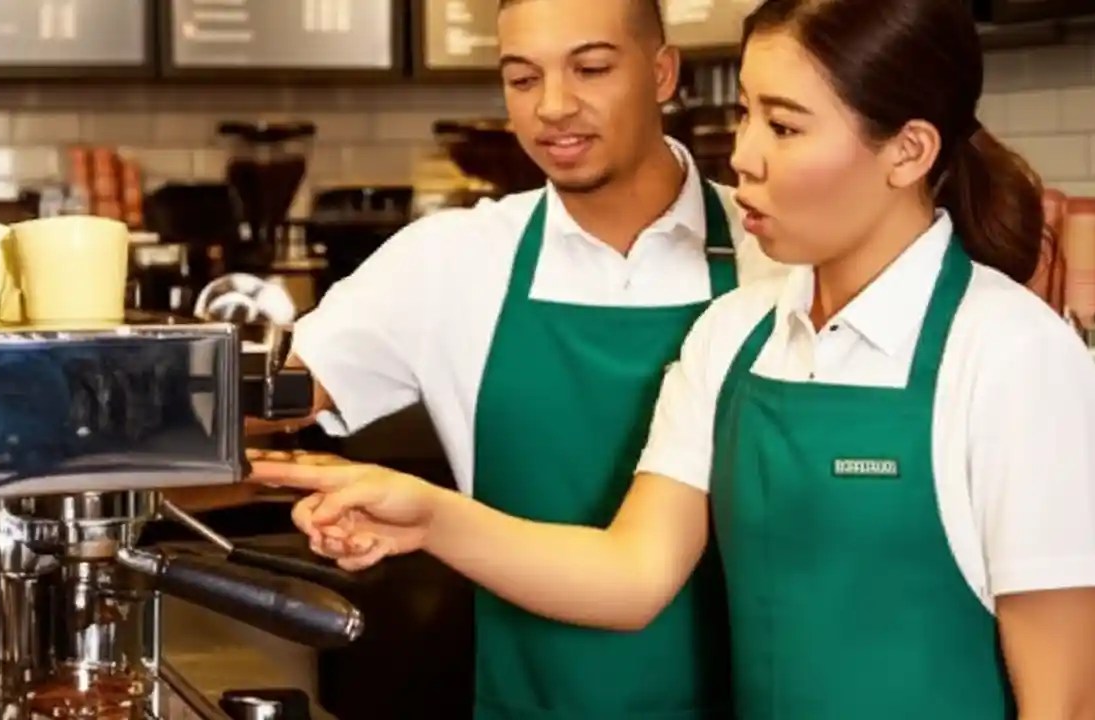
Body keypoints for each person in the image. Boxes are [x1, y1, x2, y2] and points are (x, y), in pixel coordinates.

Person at [249, 0, 1095, 717]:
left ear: (910, 150)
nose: (742, 157)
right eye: (747, 114)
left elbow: (1068, 703)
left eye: (783, 124)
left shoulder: (1013, 356)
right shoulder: (738, 333)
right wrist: (430, 515)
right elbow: (631, 576)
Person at [242, 0, 783, 718]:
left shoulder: (774, 256)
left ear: (661, 73)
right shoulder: (454, 259)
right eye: (523, 79)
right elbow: (274, 396)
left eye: (590, 68)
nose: (553, 107)